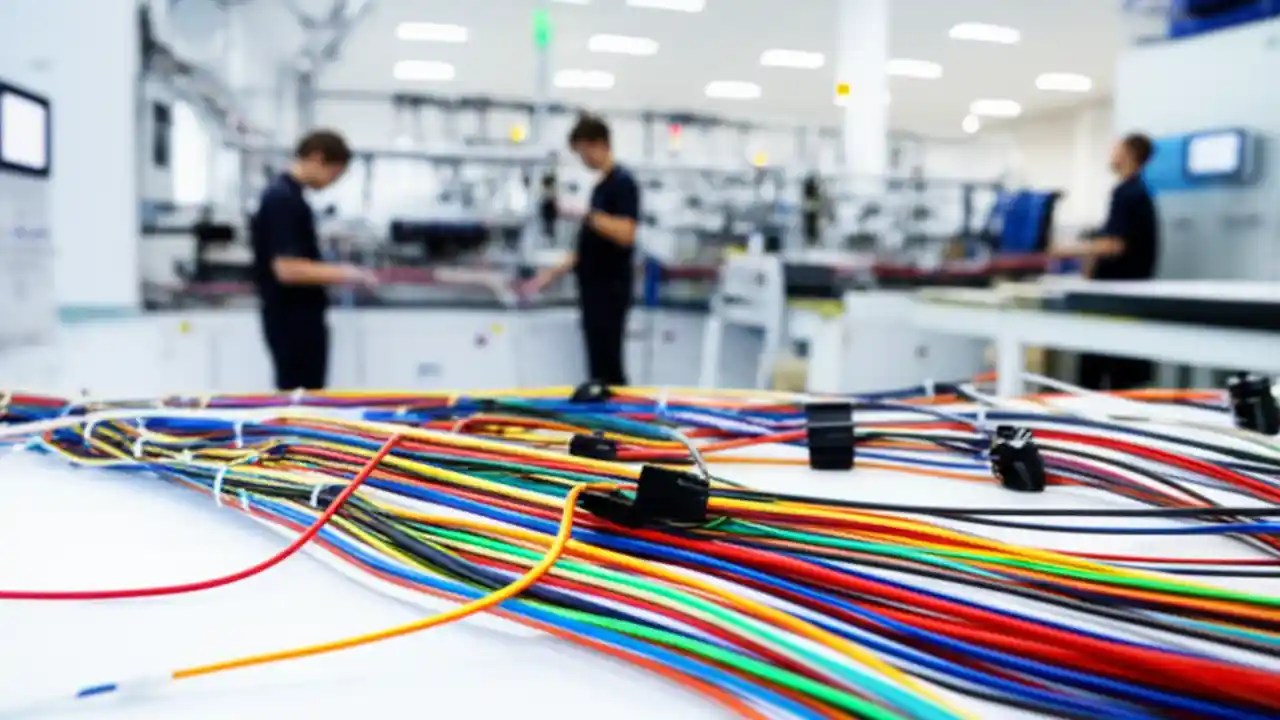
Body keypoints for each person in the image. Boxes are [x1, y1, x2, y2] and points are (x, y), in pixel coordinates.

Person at [251, 130, 375, 391]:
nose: (332, 182)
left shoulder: (290, 196)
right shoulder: (282, 199)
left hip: (297, 315)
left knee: (306, 395)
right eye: (334, 174)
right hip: (292, 318)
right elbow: (287, 269)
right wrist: (348, 274)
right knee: (301, 397)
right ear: (317, 158)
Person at [523, 115, 640, 386]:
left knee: (609, 366)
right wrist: (549, 275)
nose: (583, 160)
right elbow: (587, 247)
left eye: (583, 153)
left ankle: (617, 412)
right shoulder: (600, 186)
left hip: (610, 291)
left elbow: (626, 233)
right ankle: (601, 408)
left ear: (599, 144)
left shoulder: (623, 183)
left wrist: (584, 213)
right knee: (598, 365)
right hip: (593, 290)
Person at [1051, 133, 1160, 390]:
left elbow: (1114, 245)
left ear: (1129, 154)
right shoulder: (1135, 192)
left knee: (1099, 372)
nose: (1111, 154)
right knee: (1115, 372)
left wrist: (1063, 251)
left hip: (1117, 300)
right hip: (1123, 300)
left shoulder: (1127, 193)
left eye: (1116, 149)